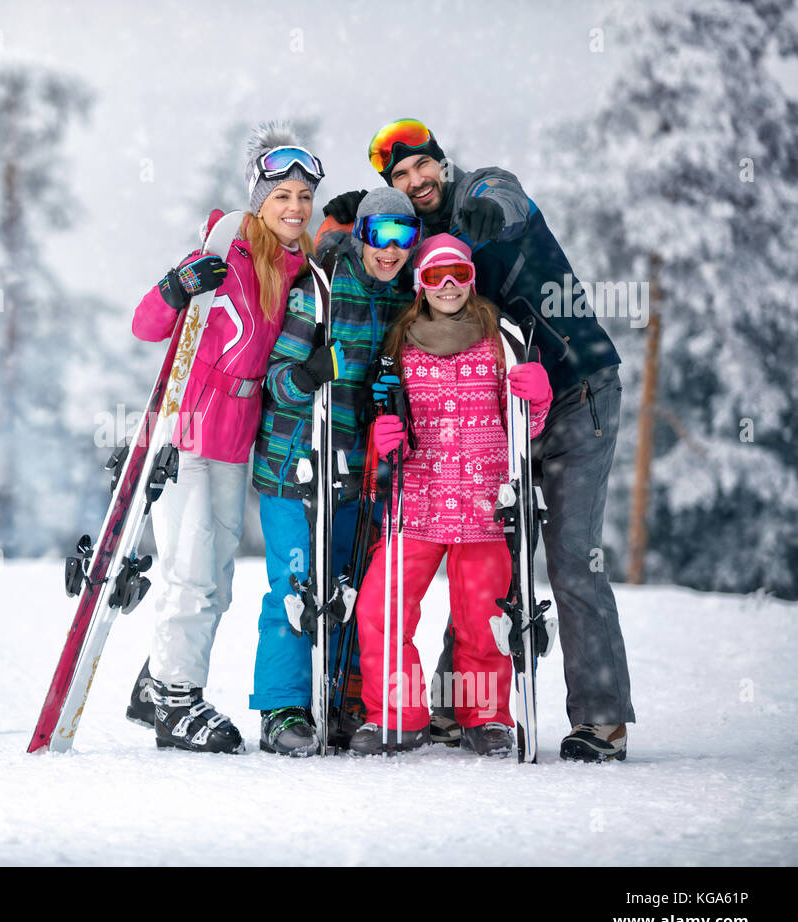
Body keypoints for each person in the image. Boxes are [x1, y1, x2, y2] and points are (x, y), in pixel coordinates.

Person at [321, 119, 634, 761]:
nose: (416, 181)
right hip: (497, 412)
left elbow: (506, 196)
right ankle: (458, 705)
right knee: (485, 562)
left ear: (443, 161)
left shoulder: (480, 194)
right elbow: (364, 252)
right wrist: (342, 222)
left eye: (422, 166)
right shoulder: (424, 239)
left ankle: (600, 719)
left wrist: (492, 208)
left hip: (573, 390)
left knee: (571, 556)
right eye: (400, 176)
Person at [124, 122, 323, 754]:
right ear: (259, 199)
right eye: (282, 195)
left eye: (304, 196)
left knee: (217, 578)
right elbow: (146, 326)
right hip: (186, 429)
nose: (295, 207)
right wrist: (175, 287)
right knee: (189, 571)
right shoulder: (224, 251)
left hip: (236, 441)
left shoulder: (300, 269)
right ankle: (177, 699)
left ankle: (158, 681)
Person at [351, 234, 552, 756]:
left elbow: (523, 430)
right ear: (420, 283)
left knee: (483, 622)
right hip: (415, 503)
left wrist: (538, 400)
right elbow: (383, 411)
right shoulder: (399, 344)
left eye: (458, 275)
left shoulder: (500, 339)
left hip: (485, 506)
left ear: (471, 280)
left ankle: (486, 717)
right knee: (379, 610)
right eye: (436, 275)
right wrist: (383, 437)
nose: (447, 285)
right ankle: (396, 715)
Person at [249, 188, 419, 756]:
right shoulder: (319, 290)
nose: (390, 250)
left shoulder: (405, 299)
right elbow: (276, 381)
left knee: (347, 587)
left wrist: (385, 402)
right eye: (379, 235)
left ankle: (337, 696)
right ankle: (283, 707)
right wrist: (308, 374)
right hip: (293, 465)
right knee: (296, 587)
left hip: (357, 471)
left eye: (403, 236)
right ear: (361, 235)